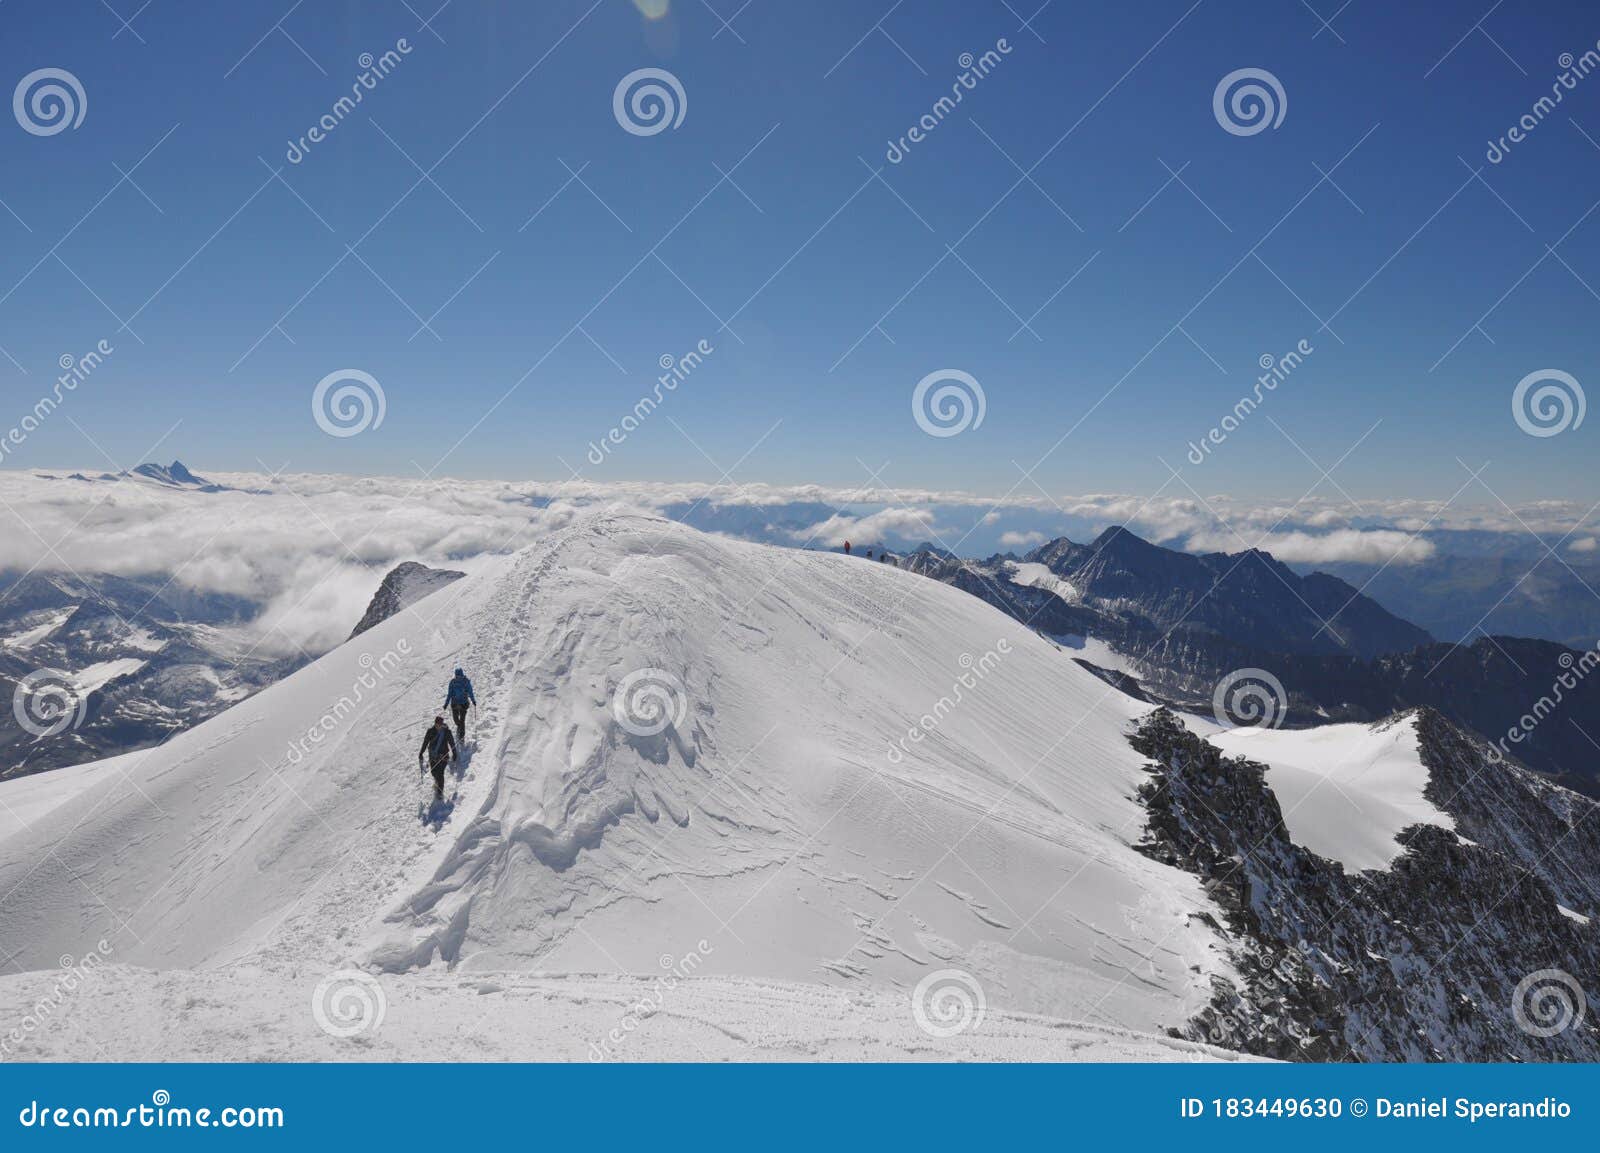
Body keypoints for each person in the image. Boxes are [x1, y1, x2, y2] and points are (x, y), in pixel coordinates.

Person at [418, 715, 458, 800]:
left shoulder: (447, 732)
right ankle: (437, 782)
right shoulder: (430, 731)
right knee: (433, 772)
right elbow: (425, 742)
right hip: (433, 756)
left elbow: (452, 743)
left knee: (440, 774)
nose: (438, 726)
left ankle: (440, 793)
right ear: (435, 723)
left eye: (439, 724)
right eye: (437, 724)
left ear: (442, 724)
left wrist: (454, 753)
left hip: (443, 756)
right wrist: (421, 753)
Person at [444, 667, 476, 741]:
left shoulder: (466, 682)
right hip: (454, 703)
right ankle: (459, 727)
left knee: (462, 720)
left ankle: (462, 737)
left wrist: (473, 700)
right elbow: (450, 694)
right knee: (455, 719)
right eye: (457, 675)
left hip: (463, 703)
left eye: (459, 675)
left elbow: (470, 692)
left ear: (462, 674)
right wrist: (446, 703)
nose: (458, 677)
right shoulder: (452, 682)